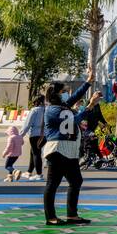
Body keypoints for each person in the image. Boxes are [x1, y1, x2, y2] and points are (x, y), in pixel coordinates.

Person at [41, 71, 98, 225]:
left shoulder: (61, 106)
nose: (67, 94)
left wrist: (88, 82)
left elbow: (75, 97)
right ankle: (51, 217)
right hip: (58, 150)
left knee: (76, 180)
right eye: (64, 91)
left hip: (68, 151)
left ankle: (72, 215)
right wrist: (90, 105)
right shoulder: (54, 110)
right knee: (53, 183)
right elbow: (74, 120)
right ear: (57, 94)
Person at [20, 95, 46, 180]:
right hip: (45, 135)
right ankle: (29, 171)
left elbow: (27, 124)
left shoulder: (35, 110)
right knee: (33, 152)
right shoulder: (47, 110)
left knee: (36, 153)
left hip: (35, 134)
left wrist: (20, 136)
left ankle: (39, 174)